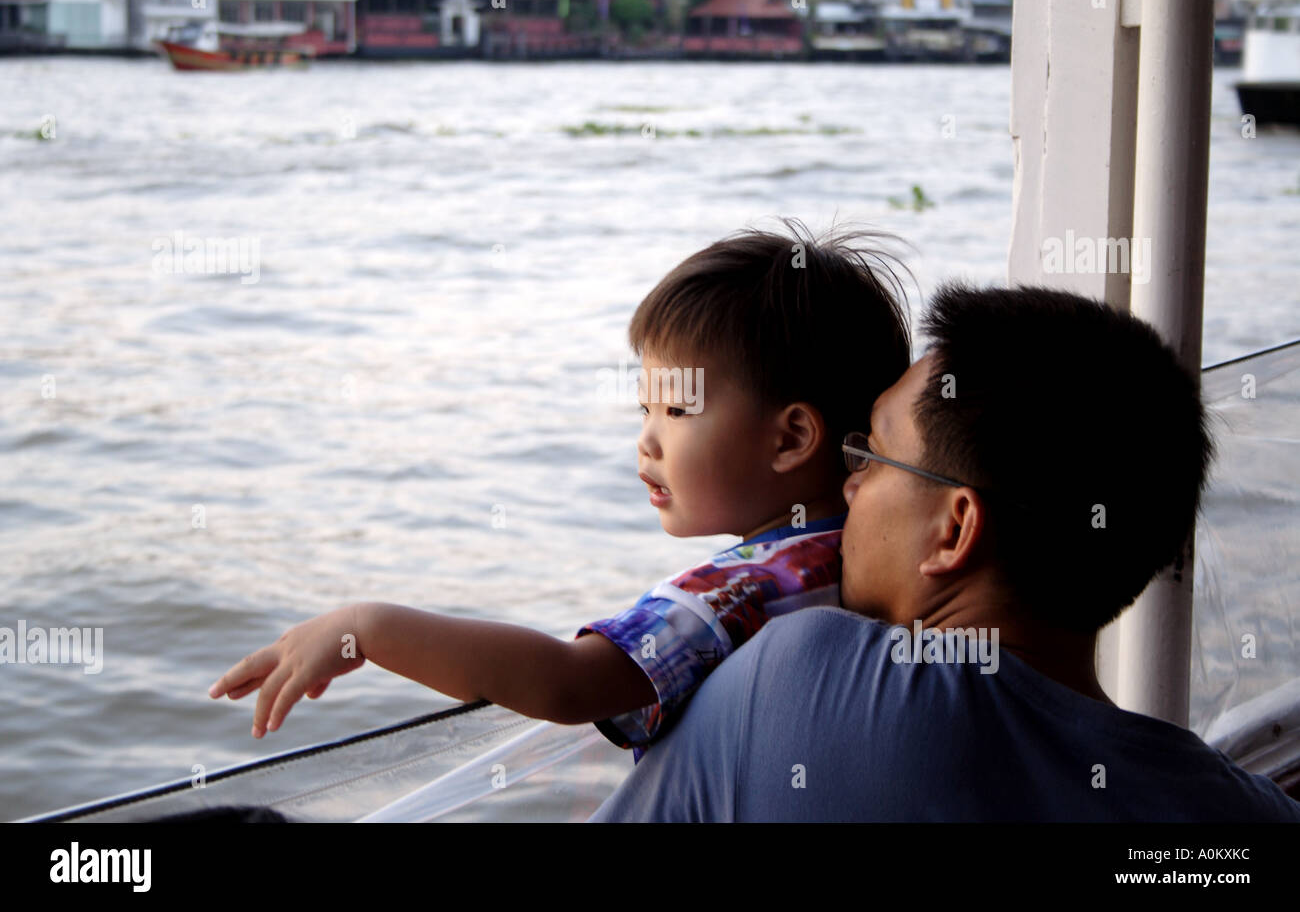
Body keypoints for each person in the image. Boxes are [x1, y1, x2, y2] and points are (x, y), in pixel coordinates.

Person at [207, 219, 912, 764]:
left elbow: (569, 684)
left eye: (676, 408)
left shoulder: (744, 588)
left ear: (790, 439)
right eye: (645, 409)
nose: (647, 440)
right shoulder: (873, 560)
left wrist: (368, 628)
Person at [590, 283, 1300, 821]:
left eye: (873, 452)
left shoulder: (803, 681)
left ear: (954, 529)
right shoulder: (1235, 816)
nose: (848, 482)